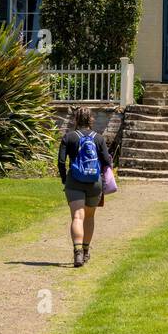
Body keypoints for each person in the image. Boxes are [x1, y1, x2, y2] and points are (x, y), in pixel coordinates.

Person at [58, 106, 114, 268]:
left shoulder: (69, 137)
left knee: (77, 217)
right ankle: (86, 249)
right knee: (89, 217)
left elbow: (61, 162)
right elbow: (106, 161)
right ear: (91, 119)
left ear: (75, 119)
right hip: (94, 182)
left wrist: (64, 179)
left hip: (74, 181)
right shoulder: (99, 138)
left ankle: (77, 253)